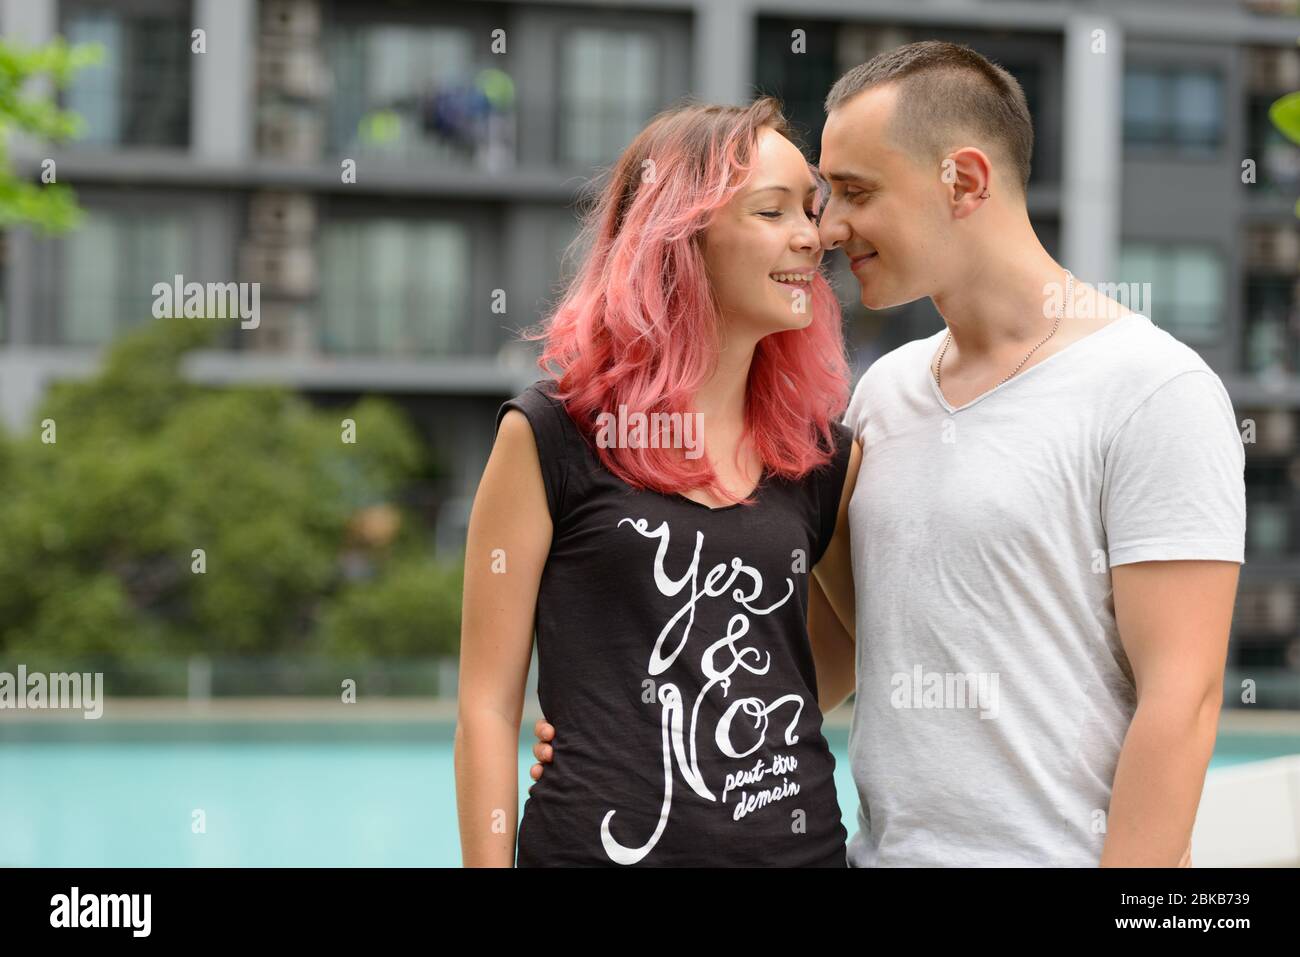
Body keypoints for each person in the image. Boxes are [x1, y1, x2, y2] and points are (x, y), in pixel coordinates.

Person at [533, 41, 1246, 868]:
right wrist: (635, 731)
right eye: (822, 197)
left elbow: (1182, 703)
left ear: (966, 181)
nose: (828, 229)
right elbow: (836, 648)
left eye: (857, 193)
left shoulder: (1153, 389)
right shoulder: (883, 397)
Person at [455, 96, 863, 867]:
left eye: (810, 212)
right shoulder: (552, 436)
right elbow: (484, 705)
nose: (811, 237)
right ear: (680, 236)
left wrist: (734, 719)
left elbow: (848, 638)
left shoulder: (818, 458)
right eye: (772, 212)